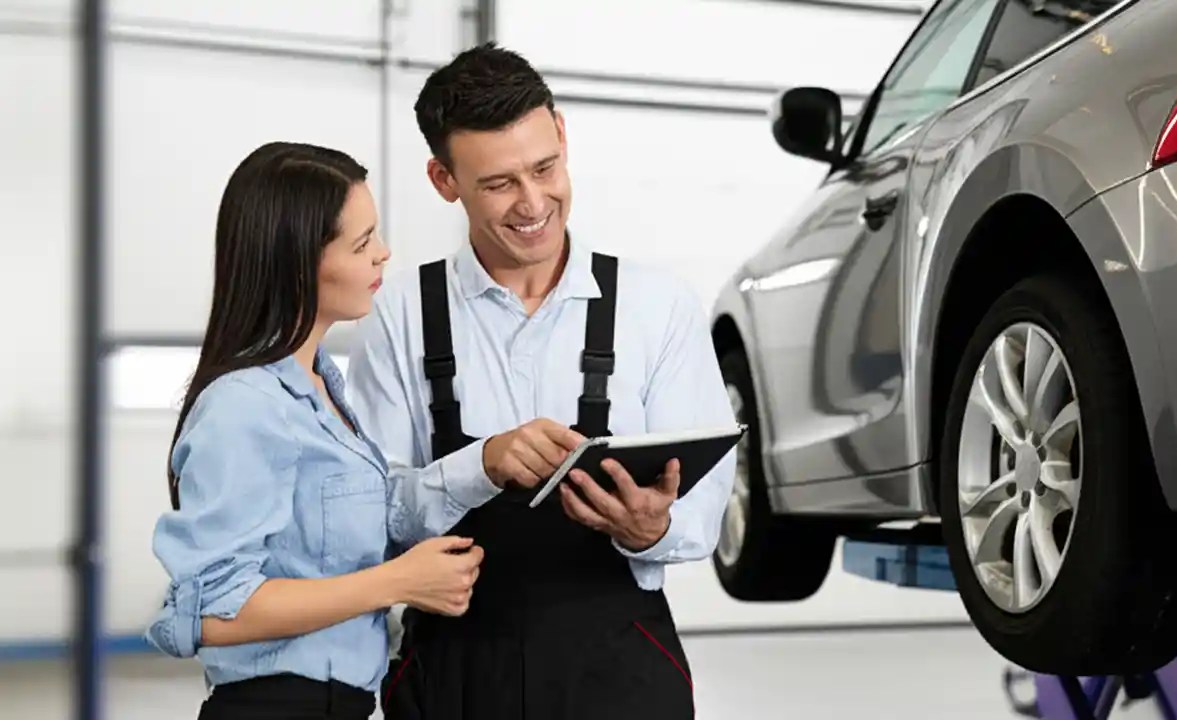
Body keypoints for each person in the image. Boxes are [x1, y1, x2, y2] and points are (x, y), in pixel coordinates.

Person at [344, 43, 737, 720]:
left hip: (620, 672)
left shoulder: (658, 307)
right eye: (499, 184)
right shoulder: (399, 314)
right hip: (453, 674)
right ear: (444, 179)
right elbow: (368, 518)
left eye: (545, 168)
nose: (533, 203)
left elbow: (702, 515)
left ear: (561, 133)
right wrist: (478, 467)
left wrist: (651, 528)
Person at [144, 141, 485, 720]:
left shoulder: (322, 385)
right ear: (299, 263)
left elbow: (370, 517)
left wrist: (487, 465)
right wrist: (397, 582)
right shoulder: (245, 403)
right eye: (362, 243)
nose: (383, 254)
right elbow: (215, 609)